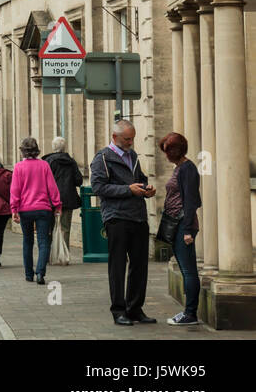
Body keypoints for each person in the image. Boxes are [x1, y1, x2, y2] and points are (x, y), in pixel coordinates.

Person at [90, 119, 156, 326]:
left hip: (138, 216)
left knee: (139, 265)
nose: (131, 142)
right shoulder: (102, 158)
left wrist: (146, 189)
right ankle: (118, 310)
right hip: (116, 218)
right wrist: (128, 190)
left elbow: (140, 179)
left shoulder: (133, 156)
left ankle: (135, 308)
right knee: (118, 266)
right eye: (127, 139)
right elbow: (98, 188)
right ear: (115, 137)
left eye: (133, 138)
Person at [158, 132, 201, 326]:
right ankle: (187, 312)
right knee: (185, 270)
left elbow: (191, 201)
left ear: (176, 151)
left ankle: (191, 314)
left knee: (189, 270)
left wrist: (187, 231)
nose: (166, 155)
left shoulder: (188, 169)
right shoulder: (179, 168)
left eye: (168, 151)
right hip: (177, 225)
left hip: (184, 225)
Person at [10, 136, 61, 284]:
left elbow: (15, 190)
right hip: (43, 209)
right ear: (36, 150)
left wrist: (14, 209)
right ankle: (40, 273)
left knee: (27, 241)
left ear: (23, 151)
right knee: (44, 242)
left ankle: (28, 274)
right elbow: (52, 187)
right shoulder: (44, 165)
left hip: (25, 209)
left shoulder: (19, 167)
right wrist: (57, 205)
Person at [43, 137, 83, 259]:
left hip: (50, 200)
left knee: (49, 228)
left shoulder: (48, 162)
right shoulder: (71, 162)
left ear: (53, 147)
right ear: (64, 147)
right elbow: (79, 180)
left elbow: (43, 182)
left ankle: (50, 255)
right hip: (68, 199)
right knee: (65, 228)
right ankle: (63, 256)